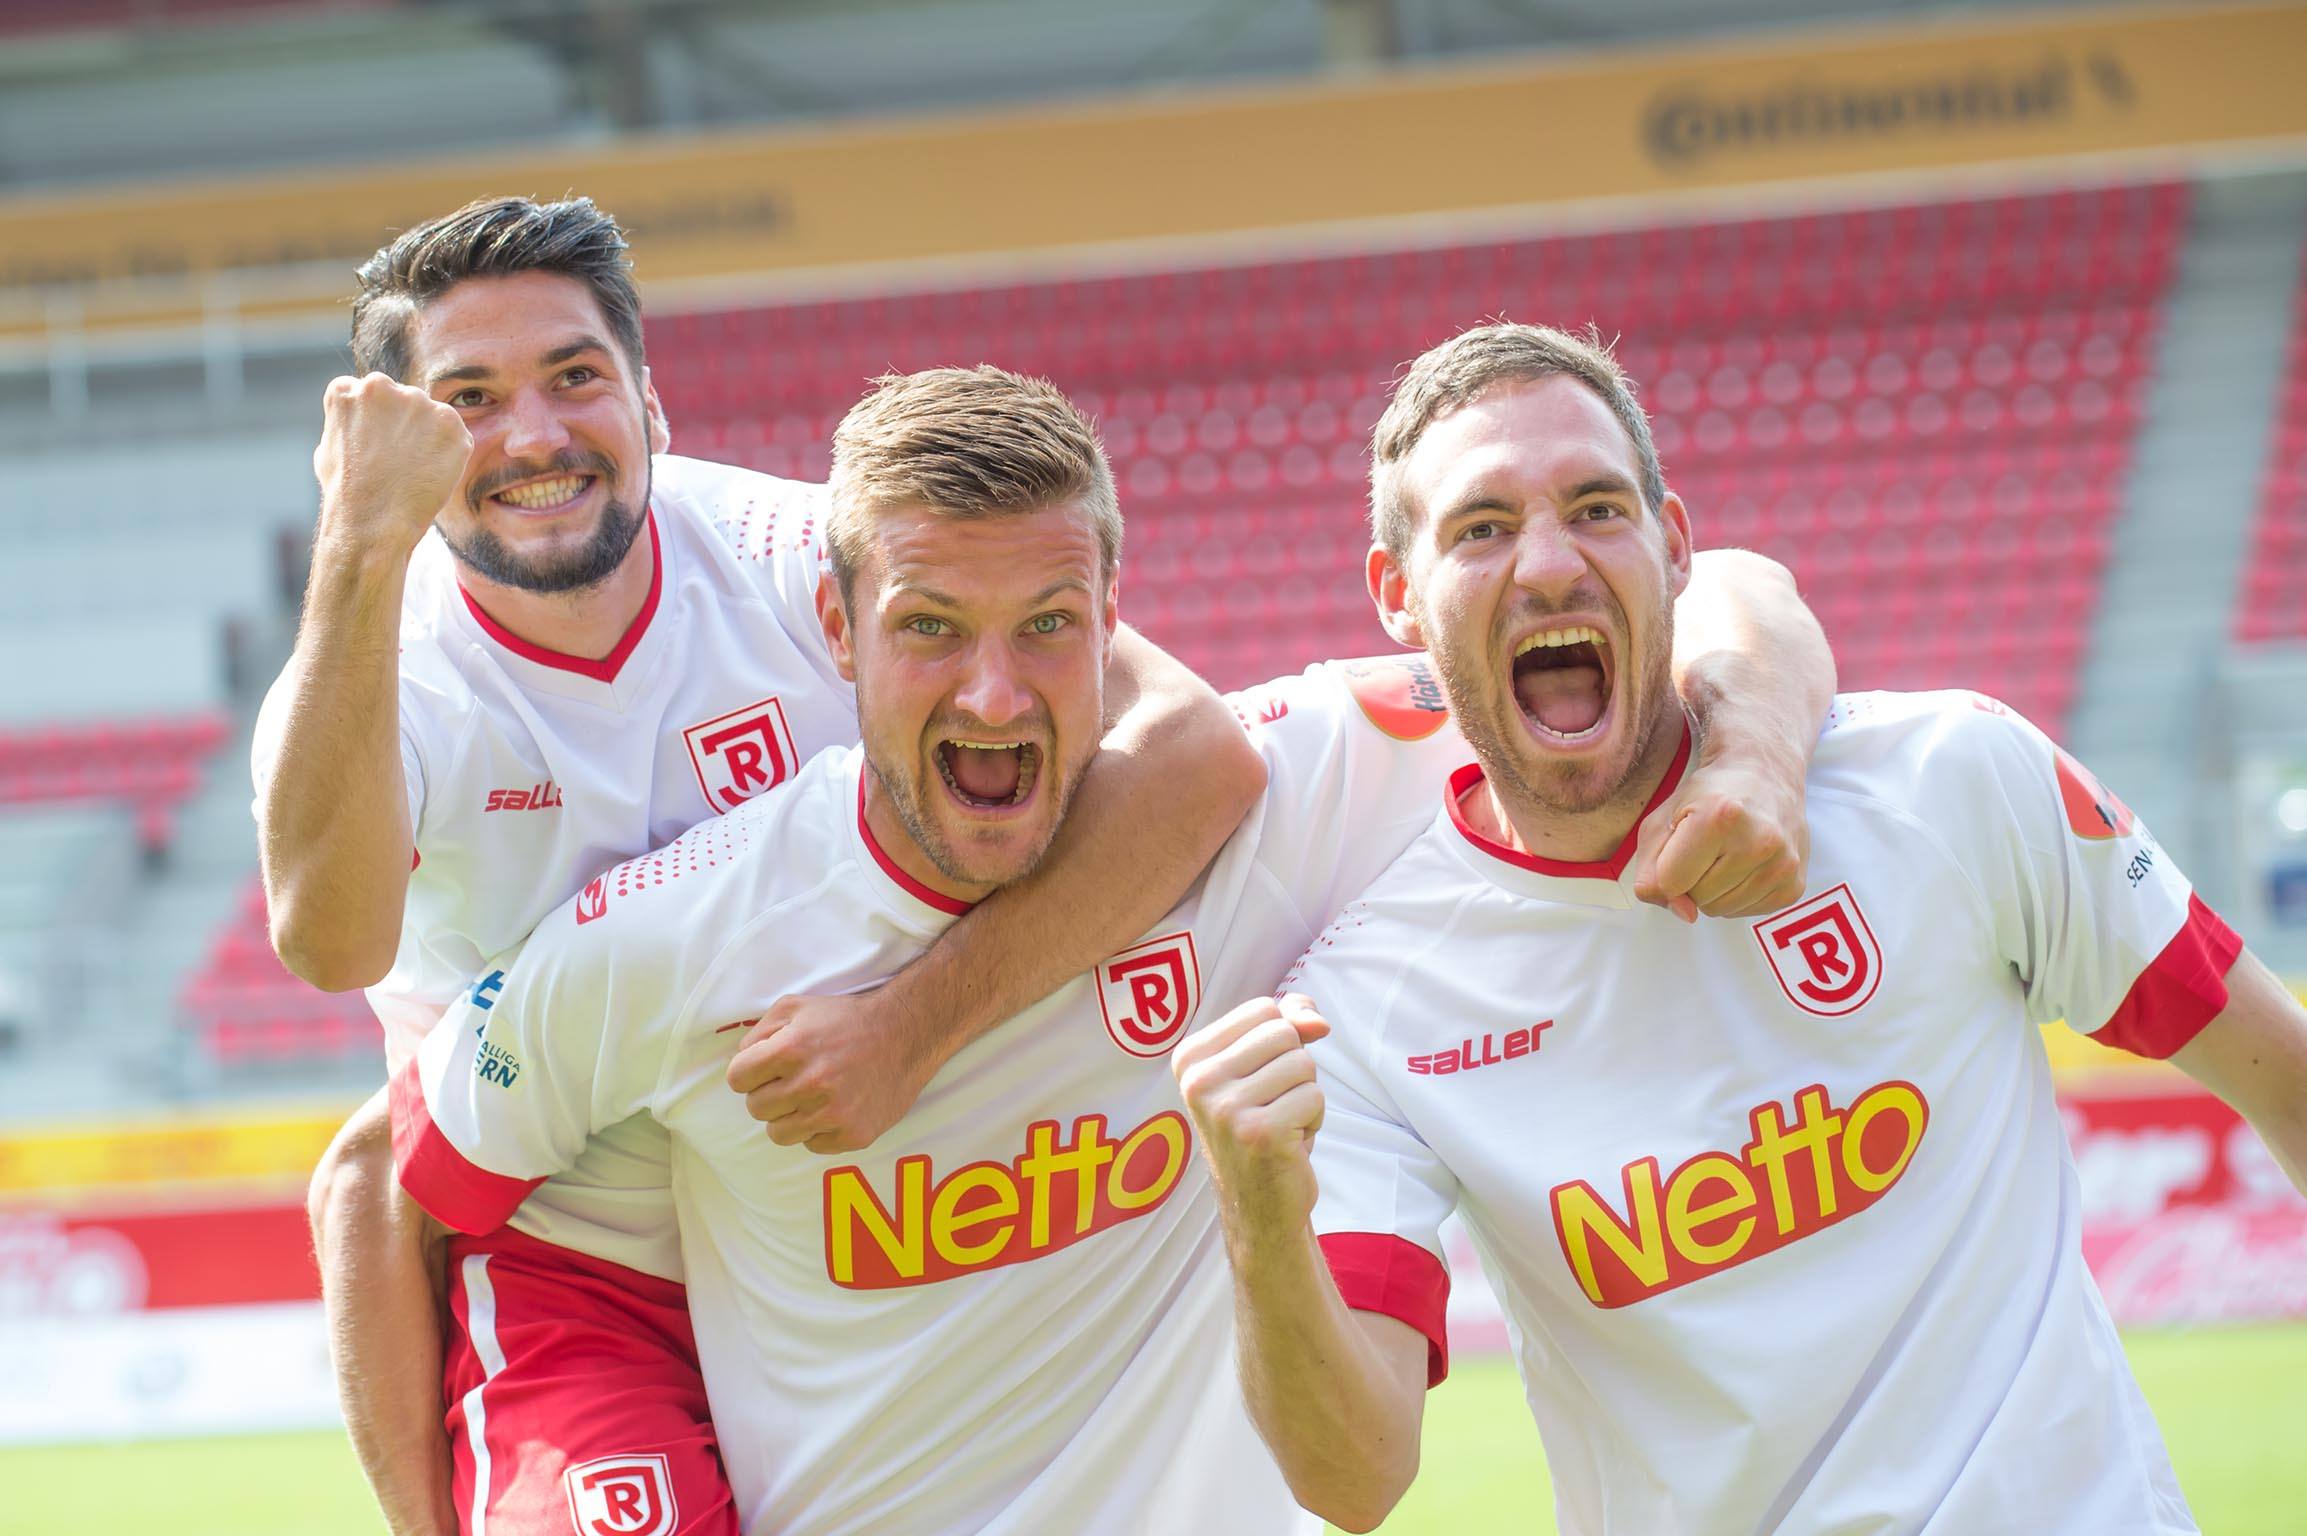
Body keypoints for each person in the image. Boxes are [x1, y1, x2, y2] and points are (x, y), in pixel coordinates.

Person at [385, 365, 1838, 1533]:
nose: (996, 691)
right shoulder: (665, 935)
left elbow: (1711, 599)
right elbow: (409, 1199)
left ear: (1112, 628)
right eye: (931, 629)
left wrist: (1756, 758)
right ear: (833, 629)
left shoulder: (1298, 787)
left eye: (1048, 626)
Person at [1175, 322, 2307, 1536]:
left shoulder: (1954, 778)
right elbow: (1355, 1481)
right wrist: (1257, 1213)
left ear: (1675, 548)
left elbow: (2284, 1078)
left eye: (1597, 507)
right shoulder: (1367, 1002)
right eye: (1482, 527)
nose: (1550, 564)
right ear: (1397, 596)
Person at [276, 195, 1272, 1535]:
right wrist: (356, 545)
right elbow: (329, 949)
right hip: (599, 1266)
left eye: (576, 377)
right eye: (467, 398)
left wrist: (920, 1020)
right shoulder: (375, 670)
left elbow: (1190, 749)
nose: (533, 433)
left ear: (650, 404)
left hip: (868, 1217)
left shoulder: (802, 555)